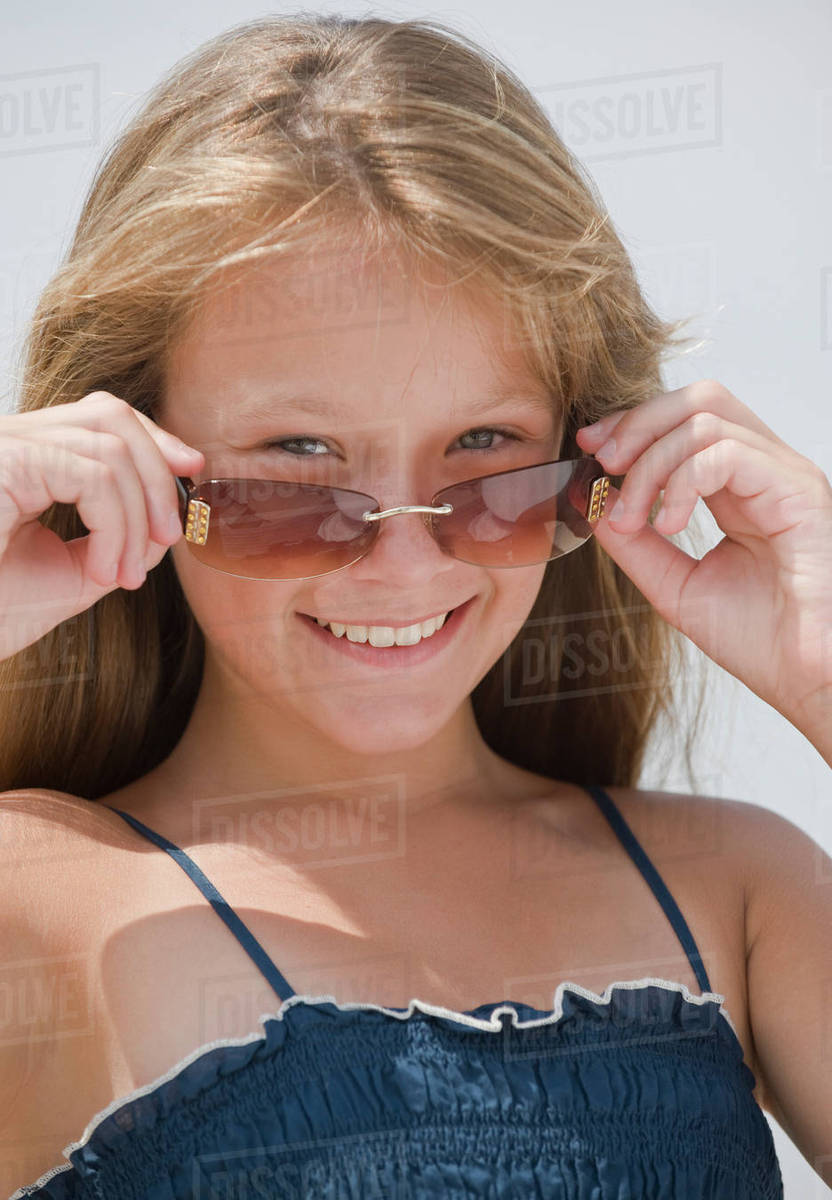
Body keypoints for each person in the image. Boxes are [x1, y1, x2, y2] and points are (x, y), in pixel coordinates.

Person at [1, 13, 830, 1199]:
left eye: (486, 455)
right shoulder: (35, 893)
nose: (403, 566)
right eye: (295, 462)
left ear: (593, 462)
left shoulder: (740, 888)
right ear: (130, 458)